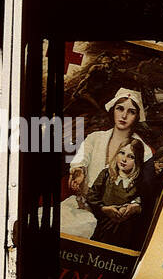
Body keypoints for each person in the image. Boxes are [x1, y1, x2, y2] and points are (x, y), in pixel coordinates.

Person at [62, 88, 154, 239]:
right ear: (113, 110)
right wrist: (78, 170)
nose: (124, 115)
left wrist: (135, 207)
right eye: (120, 108)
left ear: (137, 116)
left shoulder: (144, 150)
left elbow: (147, 193)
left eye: (131, 111)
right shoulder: (95, 138)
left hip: (117, 218)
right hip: (84, 207)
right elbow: (81, 158)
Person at [86, 140, 155, 249]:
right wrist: (104, 208)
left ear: (137, 160)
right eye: (122, 153)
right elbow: (91, 195)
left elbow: (145, 203)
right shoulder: (106, 175)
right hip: (103, 224)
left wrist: (135, 207)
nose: (124, 159)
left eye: (131, 157)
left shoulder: (138, 181)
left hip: (125, 231)